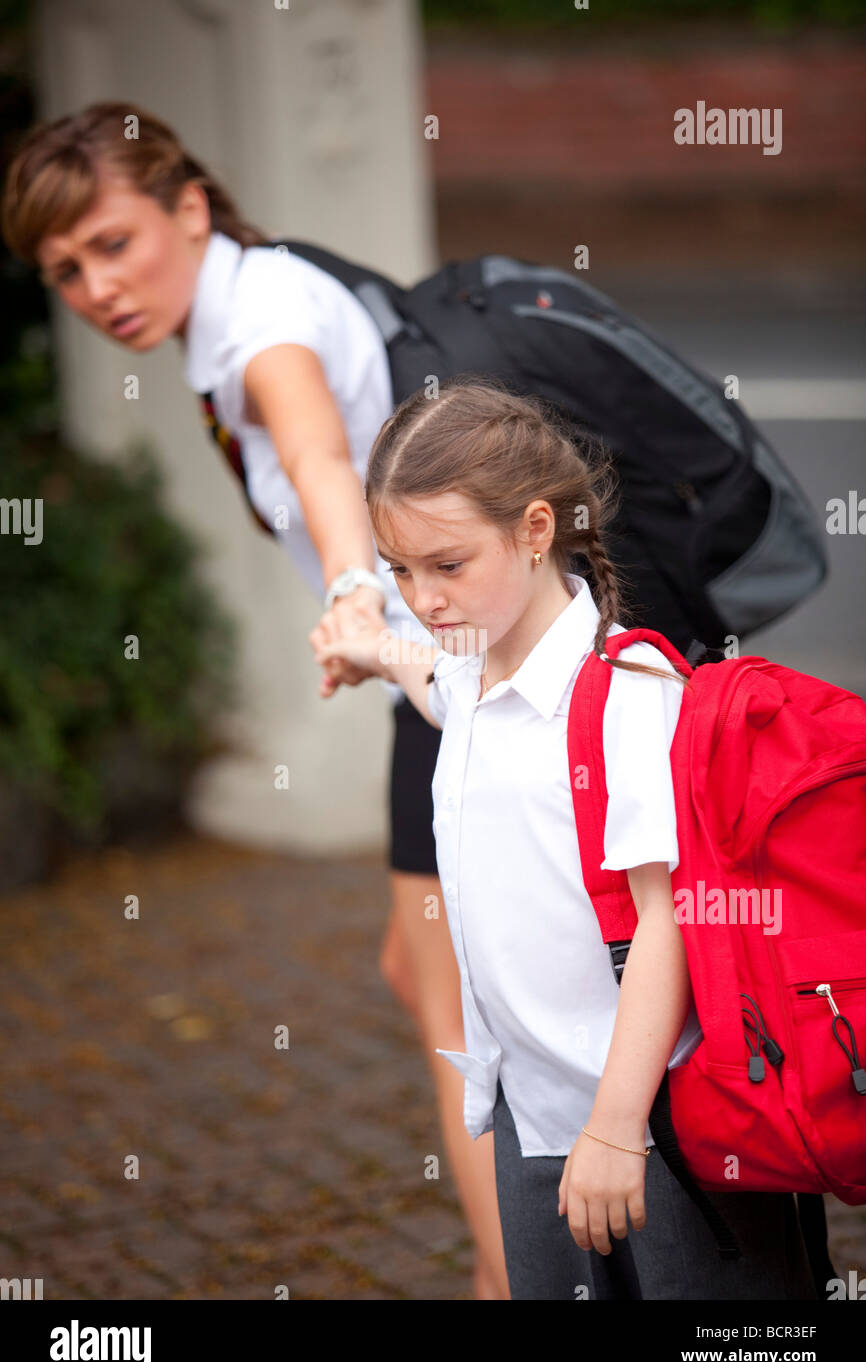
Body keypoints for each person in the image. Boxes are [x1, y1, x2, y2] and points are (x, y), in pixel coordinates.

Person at [1, 102, 508, 1298]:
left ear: (188, 208)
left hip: (447, 668)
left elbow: (322, 453)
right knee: (422, 963)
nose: (95, 288)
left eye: (112, 244)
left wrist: (352, 596)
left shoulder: (262, 326)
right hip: (433, 666)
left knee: (455, 1004)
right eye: (64, 270)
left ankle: (513, 1280)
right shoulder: (247, 302)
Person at [310, 377, 820, 1300]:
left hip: (658, 1133)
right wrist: (366, 650)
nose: (423, 599)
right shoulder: (469, 673)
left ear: (537, 529)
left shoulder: (629, 696)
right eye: (400, 571)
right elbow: (430, 678)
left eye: (448, 565)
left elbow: (669, 921)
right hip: (530, 1122)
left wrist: (618, 1128)